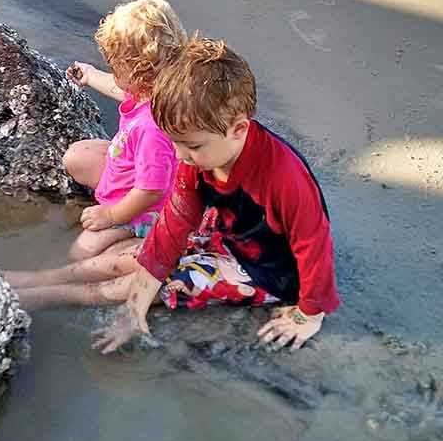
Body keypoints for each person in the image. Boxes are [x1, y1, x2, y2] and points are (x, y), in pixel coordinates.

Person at [83, 36, 341, 351]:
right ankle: (38, 283)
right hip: (228, 234)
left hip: (268, 270)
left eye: (191, 146)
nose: (179, 156)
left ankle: (53, 295)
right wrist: (134, 307)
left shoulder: (286, 178)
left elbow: (314, 245)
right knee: (134, 259)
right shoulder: (199, 157)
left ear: (239, 129)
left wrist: (309, 314)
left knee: (175, 279)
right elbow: (171, 229)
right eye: (175, 143)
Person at [6, 0, 186, 301]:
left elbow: (152, 190)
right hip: (132, 183)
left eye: (116, 67)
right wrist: (90, 75)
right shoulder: (153, 91)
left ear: (139, 72)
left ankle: (77, 269)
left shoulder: (154, 128)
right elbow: (120, 89)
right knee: (79, 156)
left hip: (147, 211)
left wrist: (112, 216)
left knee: (82, 250)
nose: (114, 74)